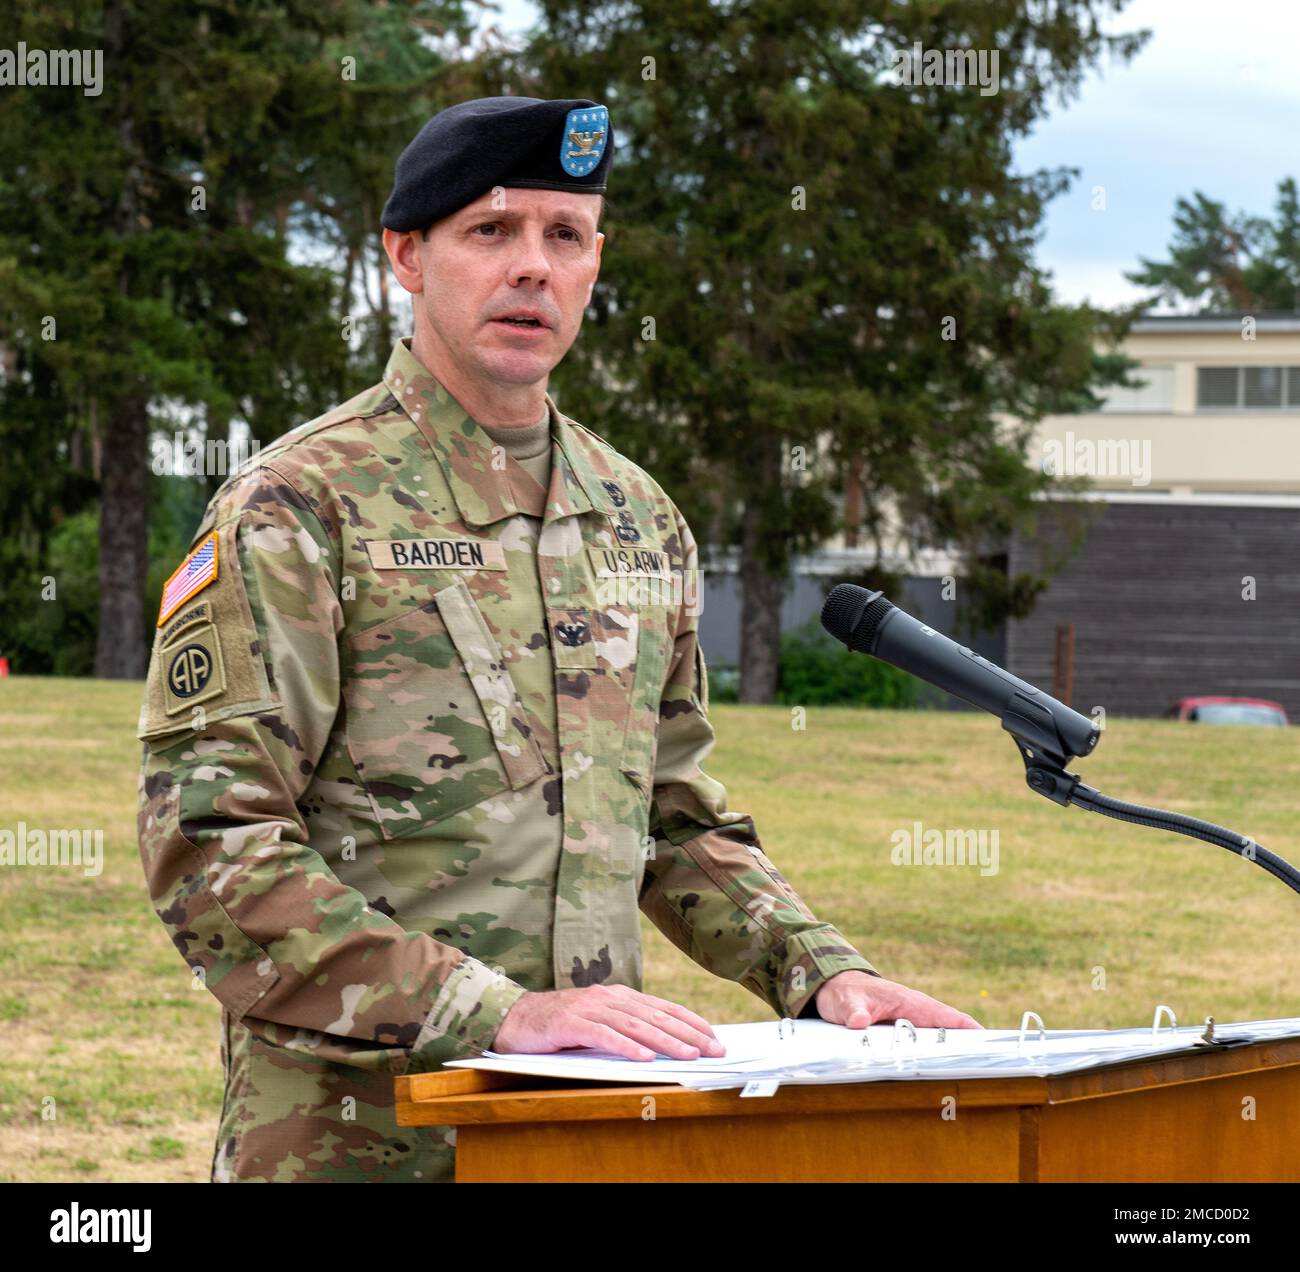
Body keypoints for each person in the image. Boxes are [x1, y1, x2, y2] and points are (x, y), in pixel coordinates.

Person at [136, 95, 980, 1184]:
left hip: (580, 1145)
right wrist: (495, 1013)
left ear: (594, 264)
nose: (531, 267)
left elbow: (672, 819)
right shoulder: (300, 508)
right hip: (355, 1145)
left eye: (564, 235)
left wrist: (817, 974)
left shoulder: (635, 516)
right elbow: (209, 848)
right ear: (406, 255)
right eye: (491, 231)